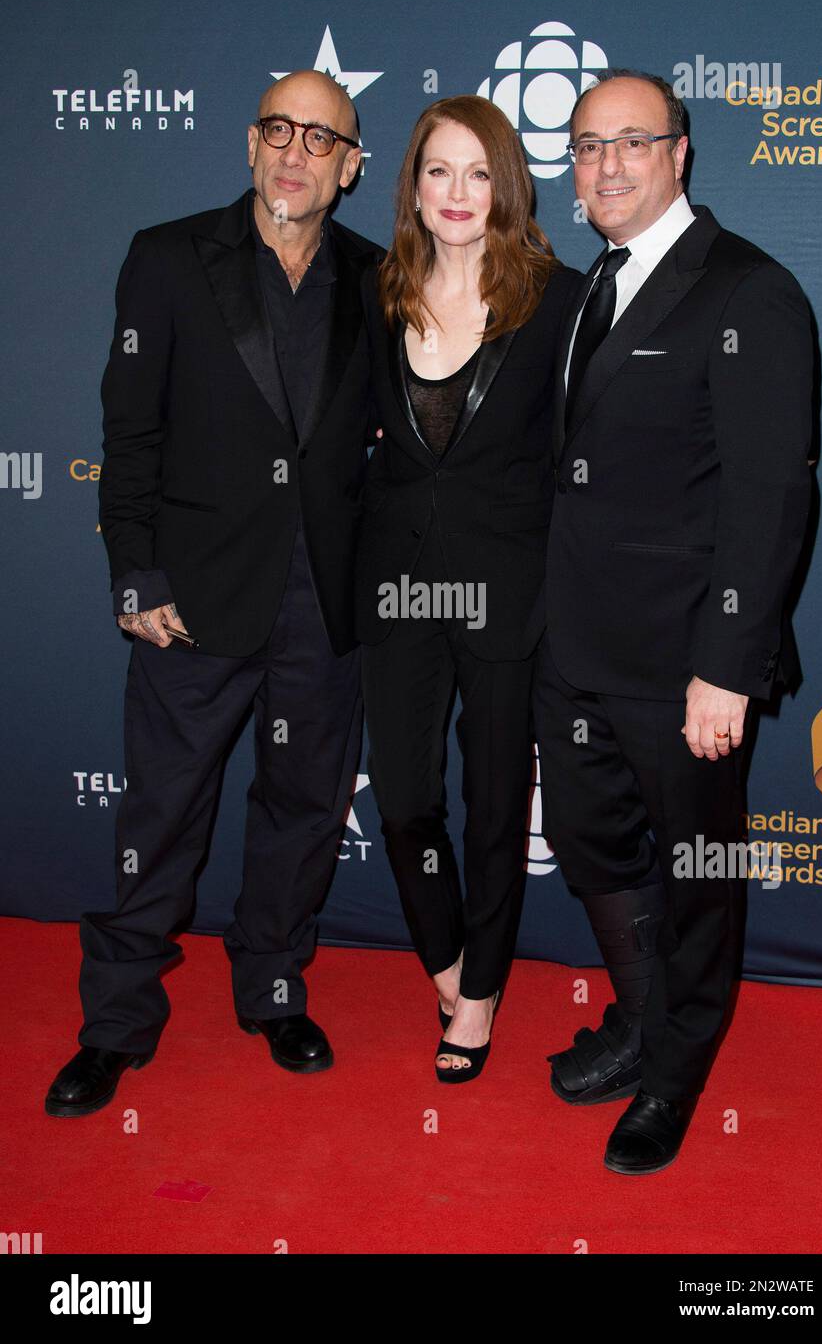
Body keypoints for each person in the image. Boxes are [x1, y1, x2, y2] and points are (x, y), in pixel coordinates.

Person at [45, 70, 384, 1118]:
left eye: (321, 138)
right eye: (279, 128)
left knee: (301, 811)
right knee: (162, 811)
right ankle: (114, 1022)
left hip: (324, 600)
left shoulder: (379, 276)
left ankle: (275, 987)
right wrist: (134, 573)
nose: (296, 150)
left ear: (351, 166)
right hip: (191, 597)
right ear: (249, 143)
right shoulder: (167, 256)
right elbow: (128, 431)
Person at [534, 69, 813, 1171]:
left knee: (696, 869)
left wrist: (726, 669)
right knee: (600, 849)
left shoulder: (749, 291)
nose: (605, 166)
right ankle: (642, 1017)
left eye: (631, 143)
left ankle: (676, 1070)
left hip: (686, 659)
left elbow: (768, 496)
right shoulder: (585, 287)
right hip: (574, 646)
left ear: (680, 153)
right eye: (587, 146)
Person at [356, 95, 582, 1082]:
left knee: (496, 806)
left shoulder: (559, 299)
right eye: (436, 171)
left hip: (507, 593)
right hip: (401, 594)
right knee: (406, 801)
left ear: (506, 184)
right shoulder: (376, 294)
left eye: (476, 171)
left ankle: (480, 997)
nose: (455, 192)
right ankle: (448, 959)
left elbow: (588, 458)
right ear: (412, 184)